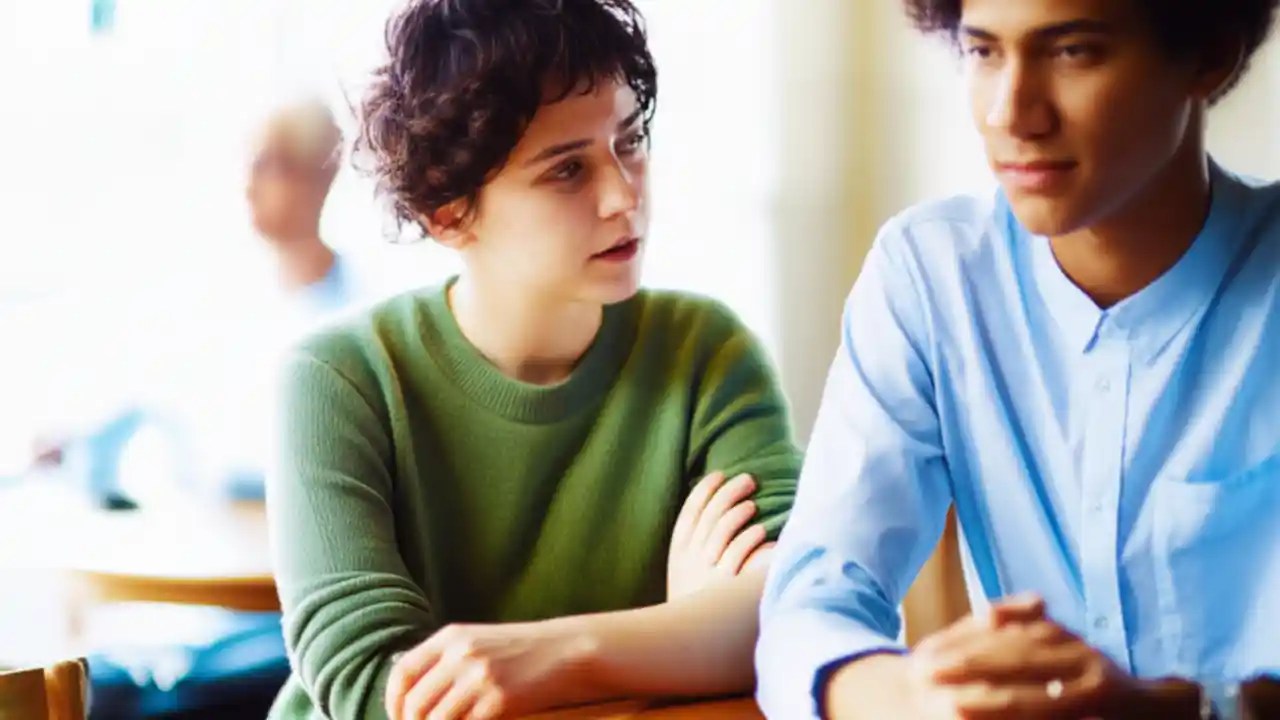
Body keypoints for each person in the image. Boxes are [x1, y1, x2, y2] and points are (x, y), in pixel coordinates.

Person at [265, 1, 801, 718]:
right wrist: (679, 646)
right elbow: (377, 691)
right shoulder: (338, 379)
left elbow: (794, 613)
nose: (624, 193)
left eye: (630, 140)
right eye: (566, 170)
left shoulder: (705, 353)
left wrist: (551, 660)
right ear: (448, 211)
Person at [756, 0, 1280, 718]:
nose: (1012, 113)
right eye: (983, 53)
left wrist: (1190, 708)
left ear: (1209, 54)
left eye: (1073, 53)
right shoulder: (930, 277)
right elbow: (810, 601)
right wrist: (911, 695)